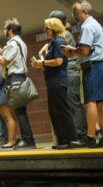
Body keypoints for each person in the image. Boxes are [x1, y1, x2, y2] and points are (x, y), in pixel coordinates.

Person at [63, 0, 103, 148]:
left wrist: (71, 51)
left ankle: (89, 138)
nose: (74, 16)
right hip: (101, 67)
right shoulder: (96, 25)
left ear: (85, 12)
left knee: (90, 102)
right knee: (101, 104)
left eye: (76, 13)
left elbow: (84, 51)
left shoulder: (87, 27)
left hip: (92, 68)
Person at [32, 18, 80, 149]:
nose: (44, 30)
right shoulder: (55, 42)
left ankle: (72, 139)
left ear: (52, 28)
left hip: (57, 80)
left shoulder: (59, 41)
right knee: (54, 111)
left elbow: (58, 61)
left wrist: (41, 63)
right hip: (54, 81)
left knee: (62, 110)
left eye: (46, 27)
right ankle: (63, 140)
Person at [0, 18, 36, 150]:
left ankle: (28, 140)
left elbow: (3, 61)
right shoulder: (20, 43)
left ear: (10, 30)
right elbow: (11, 56)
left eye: (5, 29)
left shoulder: (12, 43)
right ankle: (27, 138)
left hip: (14, 79)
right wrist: (0, 49)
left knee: (19, 112)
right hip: (19, 78)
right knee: (21, 112)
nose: (4, 31)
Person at [45, 10, 87, 140]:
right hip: (69, 72)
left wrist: (43, 62)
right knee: (69, 105)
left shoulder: (64, 36)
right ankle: (74, 135)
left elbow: (58, 59)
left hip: (70, 72)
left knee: (72, 105)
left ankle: (79, 134)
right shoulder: (64, 35)